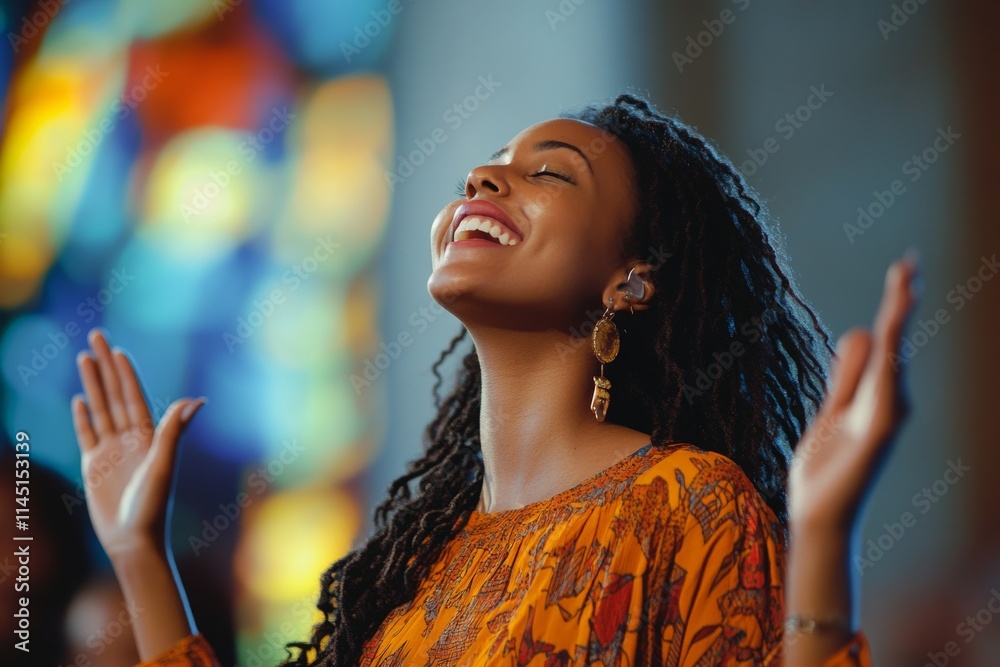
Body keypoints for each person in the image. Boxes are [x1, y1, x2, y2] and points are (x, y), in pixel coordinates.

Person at [71, 94, 919, 666]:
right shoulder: (415, 571)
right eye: (484, 166)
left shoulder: (687, 504)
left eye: (549, 172)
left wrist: (822, 540)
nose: (484, 178)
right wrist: (140, 553)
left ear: (631, 279)